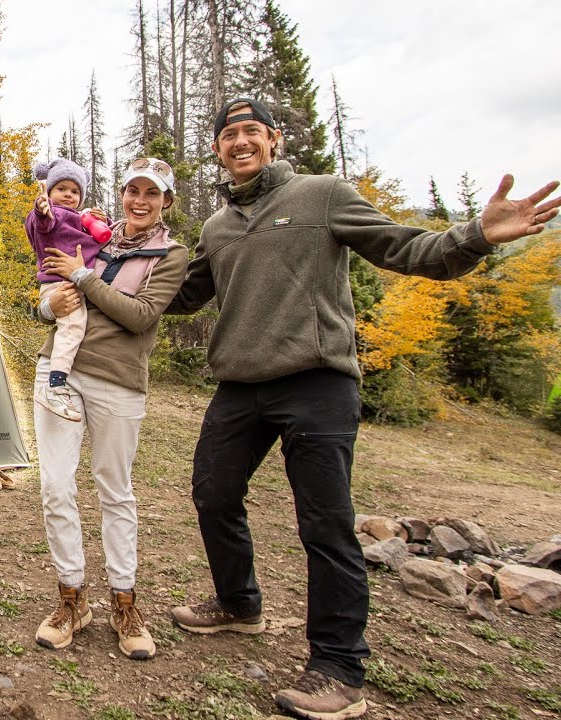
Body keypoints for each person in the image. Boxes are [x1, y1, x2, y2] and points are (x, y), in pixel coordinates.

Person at [165, 97, 561, 720]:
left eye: (251, 132)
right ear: (216, 149)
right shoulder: (217, 226)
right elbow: (180, 295)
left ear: (273, 140)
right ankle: (239, 605)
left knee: (324, 524)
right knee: (213, 493)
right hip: (239, 385)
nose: (239, 142)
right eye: (228, 135)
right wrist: (114, 268)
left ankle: (338, 668)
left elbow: (406, 249)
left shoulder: (321, 195)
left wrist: (477, 236)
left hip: (317, 383)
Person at [32, 157, 187, 660]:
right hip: (60, 368)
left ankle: (124, 601)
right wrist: (47, 305)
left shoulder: (171, 253)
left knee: (113, 489)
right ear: (122, 193)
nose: (140, 200)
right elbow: (49, 293)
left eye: (152, 193)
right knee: (56, 486)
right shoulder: (89, 230)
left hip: (119, 381)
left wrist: (83, 277)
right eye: (133, 190)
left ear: (166, 201)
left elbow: (141, 316)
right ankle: (71, 599)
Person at [26, 158, 112, 421]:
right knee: (73, 326)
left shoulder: (78, 218)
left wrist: (103, 220)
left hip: (73, 281)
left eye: (75, 191)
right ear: (50, 191)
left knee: (75, 327)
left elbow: (100, 238)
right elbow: (43, 223)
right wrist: (42, 208)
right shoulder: (53, 214)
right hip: (58, 284)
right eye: (61, 188)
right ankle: (55, 385)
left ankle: (59, 381)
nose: (68, 195)